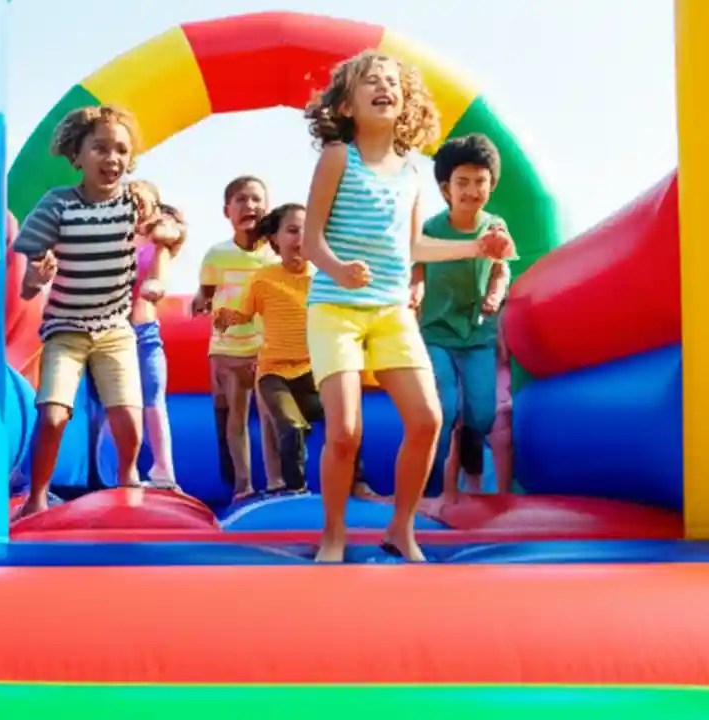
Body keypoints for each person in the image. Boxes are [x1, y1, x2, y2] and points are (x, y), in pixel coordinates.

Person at [301, 51, 515, 563]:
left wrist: (475, 247)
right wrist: (339, 269)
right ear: (348, 104)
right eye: (371, 81)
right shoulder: (337, 158)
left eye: (393, 82)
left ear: (406, 101)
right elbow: (310, 242)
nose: (384, 87)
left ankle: (401, 527)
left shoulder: (411, 173)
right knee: (346, 430)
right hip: (336, 309)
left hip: (392, 310)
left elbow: (413, 246)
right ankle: (333, 536)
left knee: (426, 419)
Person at [12, 104, 151, 517]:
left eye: (122, 151)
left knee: (127, 419)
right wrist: (39, 273)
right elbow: (27, 286)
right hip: (65, 330)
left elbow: (169, 227)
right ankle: (37, 495)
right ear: (77, 155)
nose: (112, 159)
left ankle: (128, 480)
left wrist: (163, 226)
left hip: (114, 328)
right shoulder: (57, 204)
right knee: (53, 416)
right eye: (101, 149)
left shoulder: (134, 202)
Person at [214, 204, 379, 498]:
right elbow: (244, 313)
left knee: (346, 421)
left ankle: (357, 482)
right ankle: (295, 490)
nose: (300, 237)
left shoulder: (323, 279)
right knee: (291, 427)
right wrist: (228, 317)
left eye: (307, 231)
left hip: (315, 372)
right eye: (292, 230)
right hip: (275, 373)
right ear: (275, 239)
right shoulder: (264, 278)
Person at [409, 134, 510, 502]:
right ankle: (429, 489)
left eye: (480, 181)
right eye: (462, 182)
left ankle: (472, 476)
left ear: (491, 184)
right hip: (436, 331)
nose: (471, 190)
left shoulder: (495, 226)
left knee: (481, 413)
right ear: (445, 188)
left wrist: (495, 294)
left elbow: (501, 268)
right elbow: (418, 264)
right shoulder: (434, 229)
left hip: (477, 335)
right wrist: (416, 289)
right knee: (445, 405)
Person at [192, 176, 284, 499]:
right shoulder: (217, 255)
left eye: (257, 199)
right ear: (226, 211)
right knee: (236, 415)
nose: (250, 206)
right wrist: (198, 302)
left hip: (266, 347)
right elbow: (205, 293)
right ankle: (242, 484)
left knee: (271, 415)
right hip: (228, 347)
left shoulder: (276, 256)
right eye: (241, 200)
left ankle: (276, 480)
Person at [98, 190, 187, 489]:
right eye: (129, 199)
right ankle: (114, 474)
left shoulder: (159, 240)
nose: (133, 204)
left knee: (153, 399)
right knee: (116, 404)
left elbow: (171, 237)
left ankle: (164, 470)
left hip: (145, 332)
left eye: (141, 200)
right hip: (114, 334)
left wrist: (156, 285)